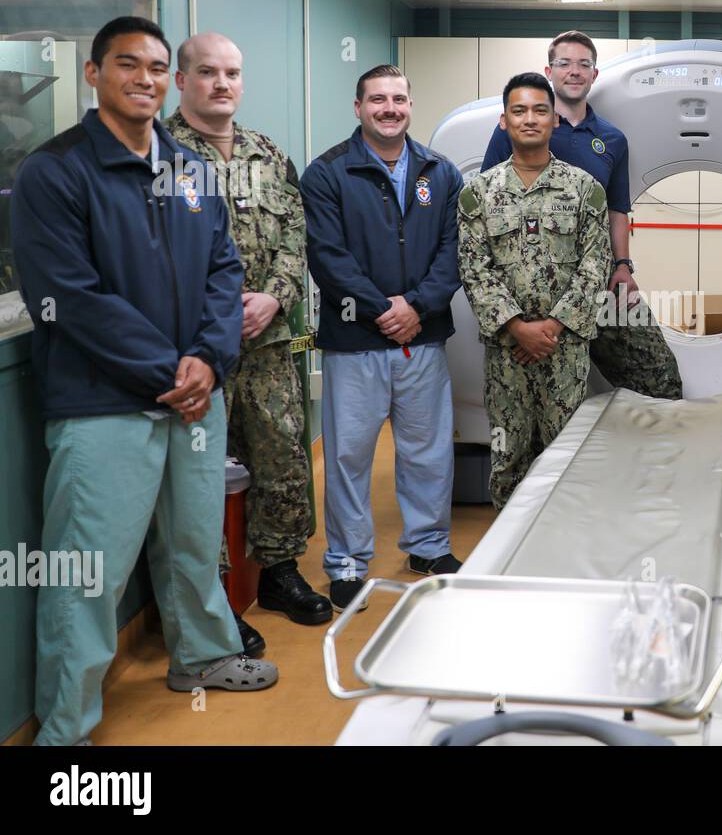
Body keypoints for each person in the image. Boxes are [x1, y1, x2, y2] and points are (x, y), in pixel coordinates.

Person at [10, 16, 278, 745]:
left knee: (194, 542)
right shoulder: (56, 171)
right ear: (93, 73)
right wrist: (172, 369)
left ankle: (201, 655)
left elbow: (224, 270)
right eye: (128, 65)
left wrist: (208, 360)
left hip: (196, 398)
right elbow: (69, 296)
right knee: (88, 572)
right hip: (104, 404)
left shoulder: (190, 171)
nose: (145, 79)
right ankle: (65, 726)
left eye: (158, 67)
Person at [165, 33, 330, 654]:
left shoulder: (267, 152)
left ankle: (281, 572)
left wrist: (274, 296)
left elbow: (297, 233)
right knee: (201, 472)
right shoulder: (159, 155)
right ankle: (213, 601)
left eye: (232, 72)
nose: (222, 84)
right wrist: (212, 311)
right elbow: (149, 250)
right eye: (207, 72)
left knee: (283, 459)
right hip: (195, 347)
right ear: (182, 81)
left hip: (268, 338)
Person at [301, 64, 463, 612]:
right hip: (355, 343)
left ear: (411, 104)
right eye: (377, 100)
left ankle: (427, 546)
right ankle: (347, 563)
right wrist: (381, 311)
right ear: (358, 107)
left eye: (398, 98)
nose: (388, 108)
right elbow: (327, 256)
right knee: (348, 456)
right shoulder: (327, 174)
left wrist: (416, 306)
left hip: (423, 339)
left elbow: (452, 251)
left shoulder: (439, 173)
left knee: (428, 451)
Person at [481, 30, 682, 399]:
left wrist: (623, 266)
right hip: (534, 281)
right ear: (549, 70)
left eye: (583, 64)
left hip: (597, 277)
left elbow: (617, 208)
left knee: (660, 377)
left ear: (594, 74)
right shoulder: (514, 130)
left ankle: (649, 452)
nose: (574, 71)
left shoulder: (612, 139)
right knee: (544, 389)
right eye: (564, 63)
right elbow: (490, 205)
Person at [460, 72, 612, 510]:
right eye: (519, 110)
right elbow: (474, 268)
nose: (530, 119)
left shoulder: (585, 190)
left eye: (540, 110)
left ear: (554, 122)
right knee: (508, 456)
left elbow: (596, 264)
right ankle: (508, 559)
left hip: (563, 351)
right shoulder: (478, 194)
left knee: (564, 457)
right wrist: (517, 328)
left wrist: (551, 327)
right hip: (506, 352)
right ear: (503, 121)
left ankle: (559, 556)